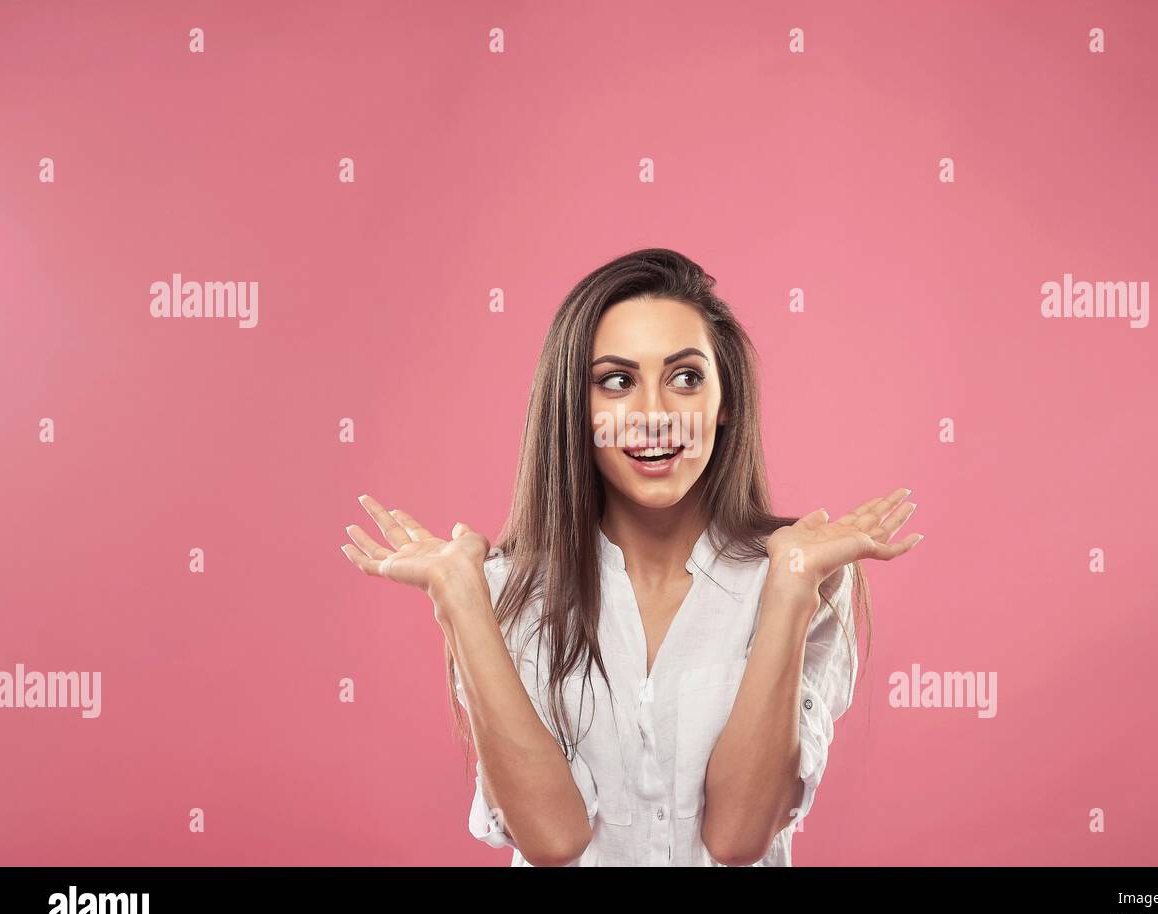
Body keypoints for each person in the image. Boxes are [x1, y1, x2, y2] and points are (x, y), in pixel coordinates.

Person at [340, 248, 922, 866]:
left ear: (725, 404)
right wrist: (459, 598)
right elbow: (552, 838)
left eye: (686, 377)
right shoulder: (504, 591)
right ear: (576, 409)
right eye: (616, 382)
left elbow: (739, 836)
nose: (653, 415)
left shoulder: (801, 573)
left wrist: (790, 588)